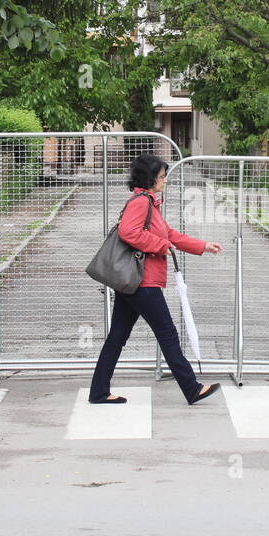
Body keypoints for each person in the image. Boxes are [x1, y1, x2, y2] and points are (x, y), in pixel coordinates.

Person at [88, 153, 223, 405]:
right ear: (150, 178)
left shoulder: (150, 202)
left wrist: (202, 245)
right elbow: (130, 233)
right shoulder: (141, 202)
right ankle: (191, 388)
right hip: (142, 282)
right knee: (168, 334)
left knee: (117, 335)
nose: (165, 181)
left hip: (135, 282)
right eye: (162, 177)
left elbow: (170, 234)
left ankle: (98, 391)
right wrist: (159, 246)